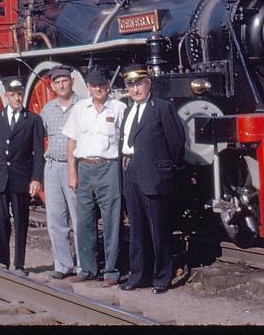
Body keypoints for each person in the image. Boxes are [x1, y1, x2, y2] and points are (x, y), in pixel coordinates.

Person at [118, 63, 187, 294]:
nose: (135, 89)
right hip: (130, 172)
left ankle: (161, 278)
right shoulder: (127, 111)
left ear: (148, 83)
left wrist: (164, 168)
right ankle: (138, 276)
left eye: (139, 84)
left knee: (159, 230)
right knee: (136, 229)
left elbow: (176, 142)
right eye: (130, 85)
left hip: (154, 175)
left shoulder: (162, 108)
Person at [63, 65, 126, 285]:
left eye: (102, 84)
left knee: (112, 220)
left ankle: (111, 270)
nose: (98, 88)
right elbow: (71, 142)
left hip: (109, 167)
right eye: (94, 85)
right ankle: (88, 269)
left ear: (108, 85)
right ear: (88, 87)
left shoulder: (119, 108)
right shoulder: (79, 109)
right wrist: (72, 172)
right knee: (84, 221)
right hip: (84, 168)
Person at [0, 76, 45, 274]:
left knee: (21, 220)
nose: (17, 98)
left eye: (20, 94)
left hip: (21, 178)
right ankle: (1, 259)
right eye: (13, 94)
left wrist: (36, 178)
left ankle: (19, 263)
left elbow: (39, 153)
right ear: (6, 95)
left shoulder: (33, 120)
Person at [39, 64, 81, 280]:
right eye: (57, 82)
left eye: (64, 80)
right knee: (55, 218)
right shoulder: (48, 109)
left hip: (75, 167)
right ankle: (63, 265)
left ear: (72, 81)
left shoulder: (83, 106)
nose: (61, 85)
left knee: (79, 217)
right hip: (53, 166)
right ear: (53, 85)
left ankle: (84, 265)